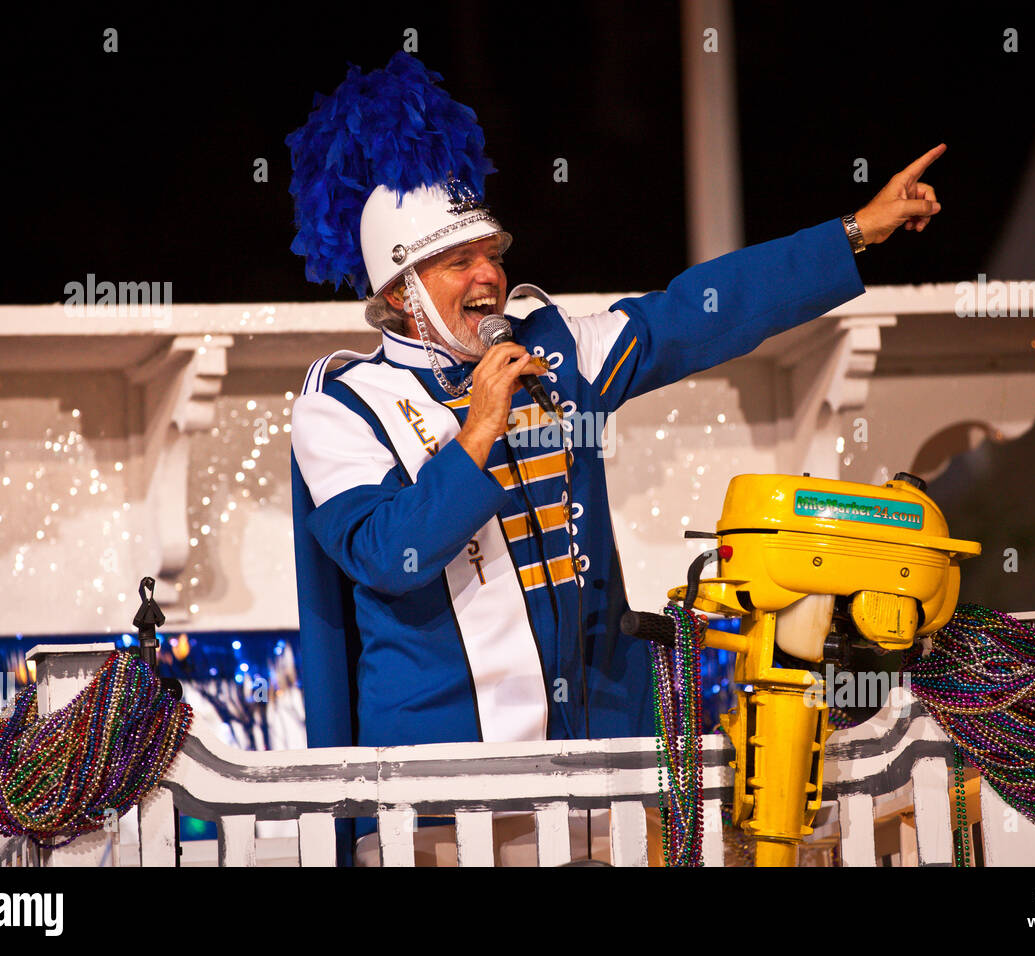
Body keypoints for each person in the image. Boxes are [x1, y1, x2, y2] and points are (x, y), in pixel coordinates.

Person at [286, 52, 943, 864]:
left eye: (492, 252)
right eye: (460, 262)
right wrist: (478, 431)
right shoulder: (341, 401)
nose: (490, 274)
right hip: (443, 803)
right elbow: (390, 554)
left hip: (603, 773)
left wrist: (856, 233)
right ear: (399, 293)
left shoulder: (554, 348)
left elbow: (694, 313)